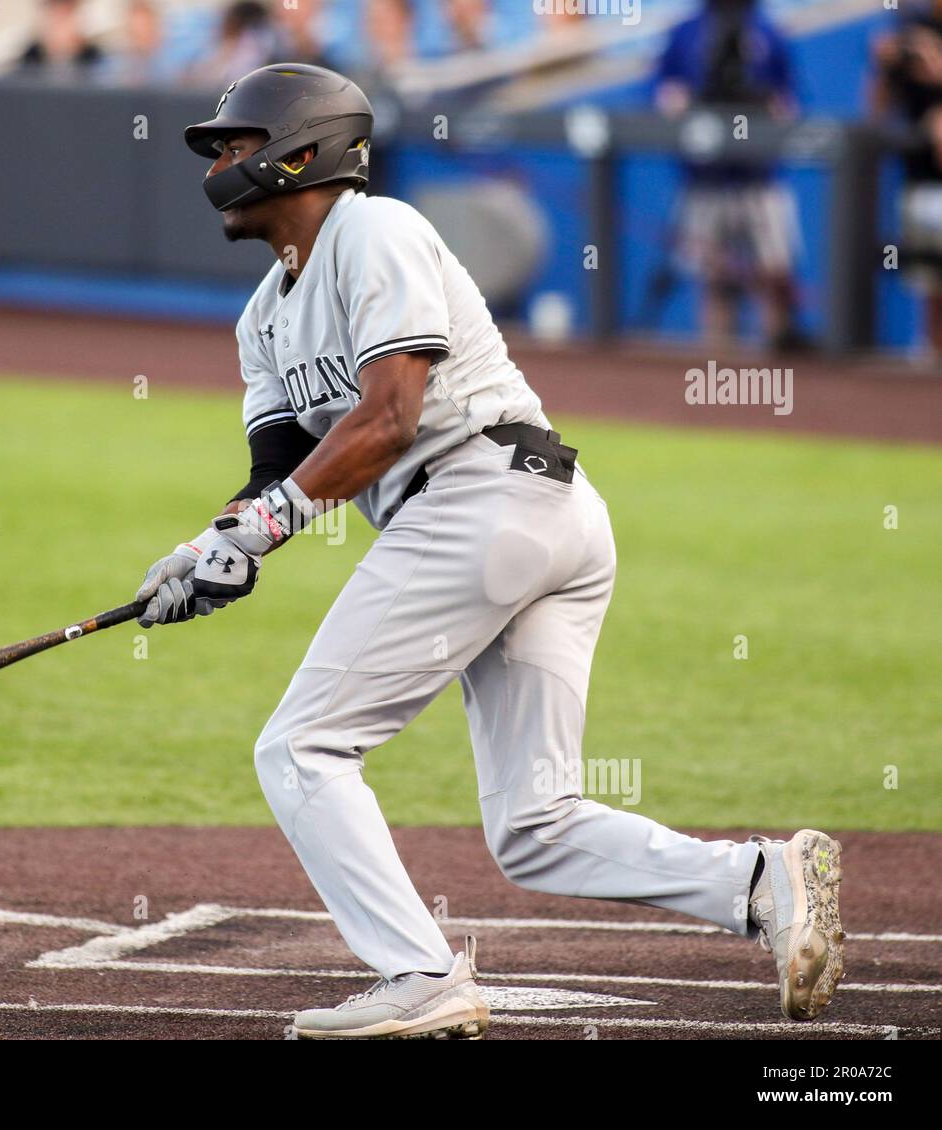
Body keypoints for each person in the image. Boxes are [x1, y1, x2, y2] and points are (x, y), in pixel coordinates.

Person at [134, 63, 845, 1040]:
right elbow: (276, 469)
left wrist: (261, 533)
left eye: (235, 142)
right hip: (522, 514)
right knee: (534, 826)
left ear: (301, 151)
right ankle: (762, 882)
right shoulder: (262, 315)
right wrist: (207, 545)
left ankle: (417, 970)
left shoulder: (372, 231)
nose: (219, 161)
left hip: (482, 499)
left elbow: (390, 415)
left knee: (300, 747)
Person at [655, 0, 806, 350]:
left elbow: (788, 100)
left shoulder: (766, 29)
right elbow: (663, 94)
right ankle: (717, 369)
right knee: (715, 278)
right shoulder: (687, 31)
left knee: (774, 272)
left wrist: (771, 108)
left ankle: (779, 363)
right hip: (706, 178)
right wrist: (678, 101)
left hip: (760, 177)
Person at [871, 0, 942, 354]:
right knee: (928, 276)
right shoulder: (907, 35)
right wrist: (883, 67)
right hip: (921, 178)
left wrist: (935, 61)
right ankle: (930, 348)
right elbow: (877, 113)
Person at [18, 0, 104, 76]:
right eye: (55, 14)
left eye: (67, 14)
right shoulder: (29, 58)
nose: (61, 26)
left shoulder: (95, 59)